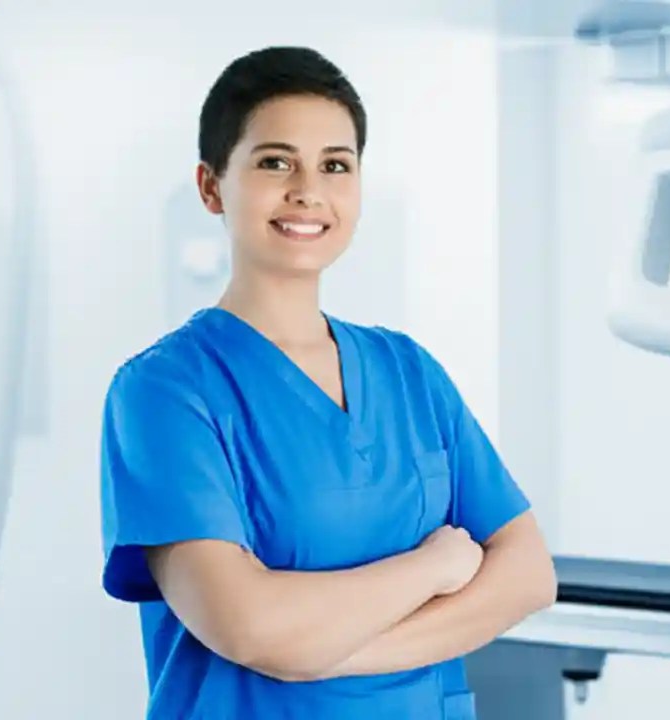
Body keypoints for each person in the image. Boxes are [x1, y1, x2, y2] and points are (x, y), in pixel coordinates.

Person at [98, 46, 557, 719]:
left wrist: (326, 654)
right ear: (210, 186)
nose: (308, 190)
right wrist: (431, 570)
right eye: (275, 162)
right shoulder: (165, 392)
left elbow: (527, 575)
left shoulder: (409, 372)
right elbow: (248, 626)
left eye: (335, 165)